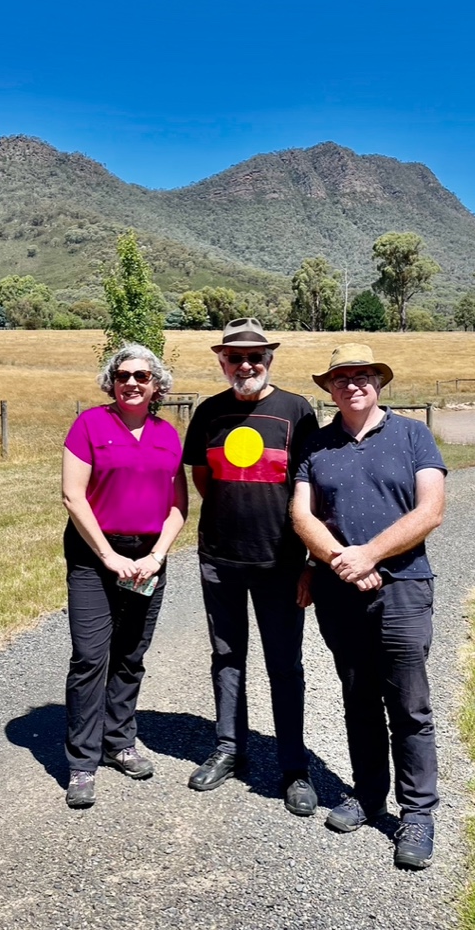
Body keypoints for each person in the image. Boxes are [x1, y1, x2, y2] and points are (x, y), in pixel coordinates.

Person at [291, 343, 446, 869]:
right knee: (357, 697)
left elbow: (431, 511)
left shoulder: (412, 435)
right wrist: (341, 562)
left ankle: (418, 813)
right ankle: (369, 793)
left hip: (403, 587)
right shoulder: (317, 445)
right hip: (339, 592)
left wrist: (371, 554)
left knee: (408, 704)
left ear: (379, 382)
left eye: (362, 376)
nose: (352, 385)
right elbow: (301, 516)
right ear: (329, 388)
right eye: (341, 378)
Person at [182, 317, 320, 816]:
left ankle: (294, 767)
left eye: (254, 357)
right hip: (219, 558)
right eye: (234, 358)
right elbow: (203, 478)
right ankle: (228, 749)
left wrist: (309, 559)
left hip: (281, 560)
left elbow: (312, 486)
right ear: (221, 362)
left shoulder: (297, 411)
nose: (246, 365)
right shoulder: (209, 413)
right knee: (226, 656)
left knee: (285, 665)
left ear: (270, 360)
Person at [61, 343, 188, 809]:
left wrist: (156, 554)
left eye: (142, 375)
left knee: (131, 654)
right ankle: (81, 762)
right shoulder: (90, 424)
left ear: (157, 385)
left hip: (146, 558)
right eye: (123, 375)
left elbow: (179, 505)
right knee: (91, 656)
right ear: (111, 381)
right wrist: (109, 556)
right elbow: (74, 497)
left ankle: (120, 742)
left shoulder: (167, 434)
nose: (132, 382)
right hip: (96, 557)